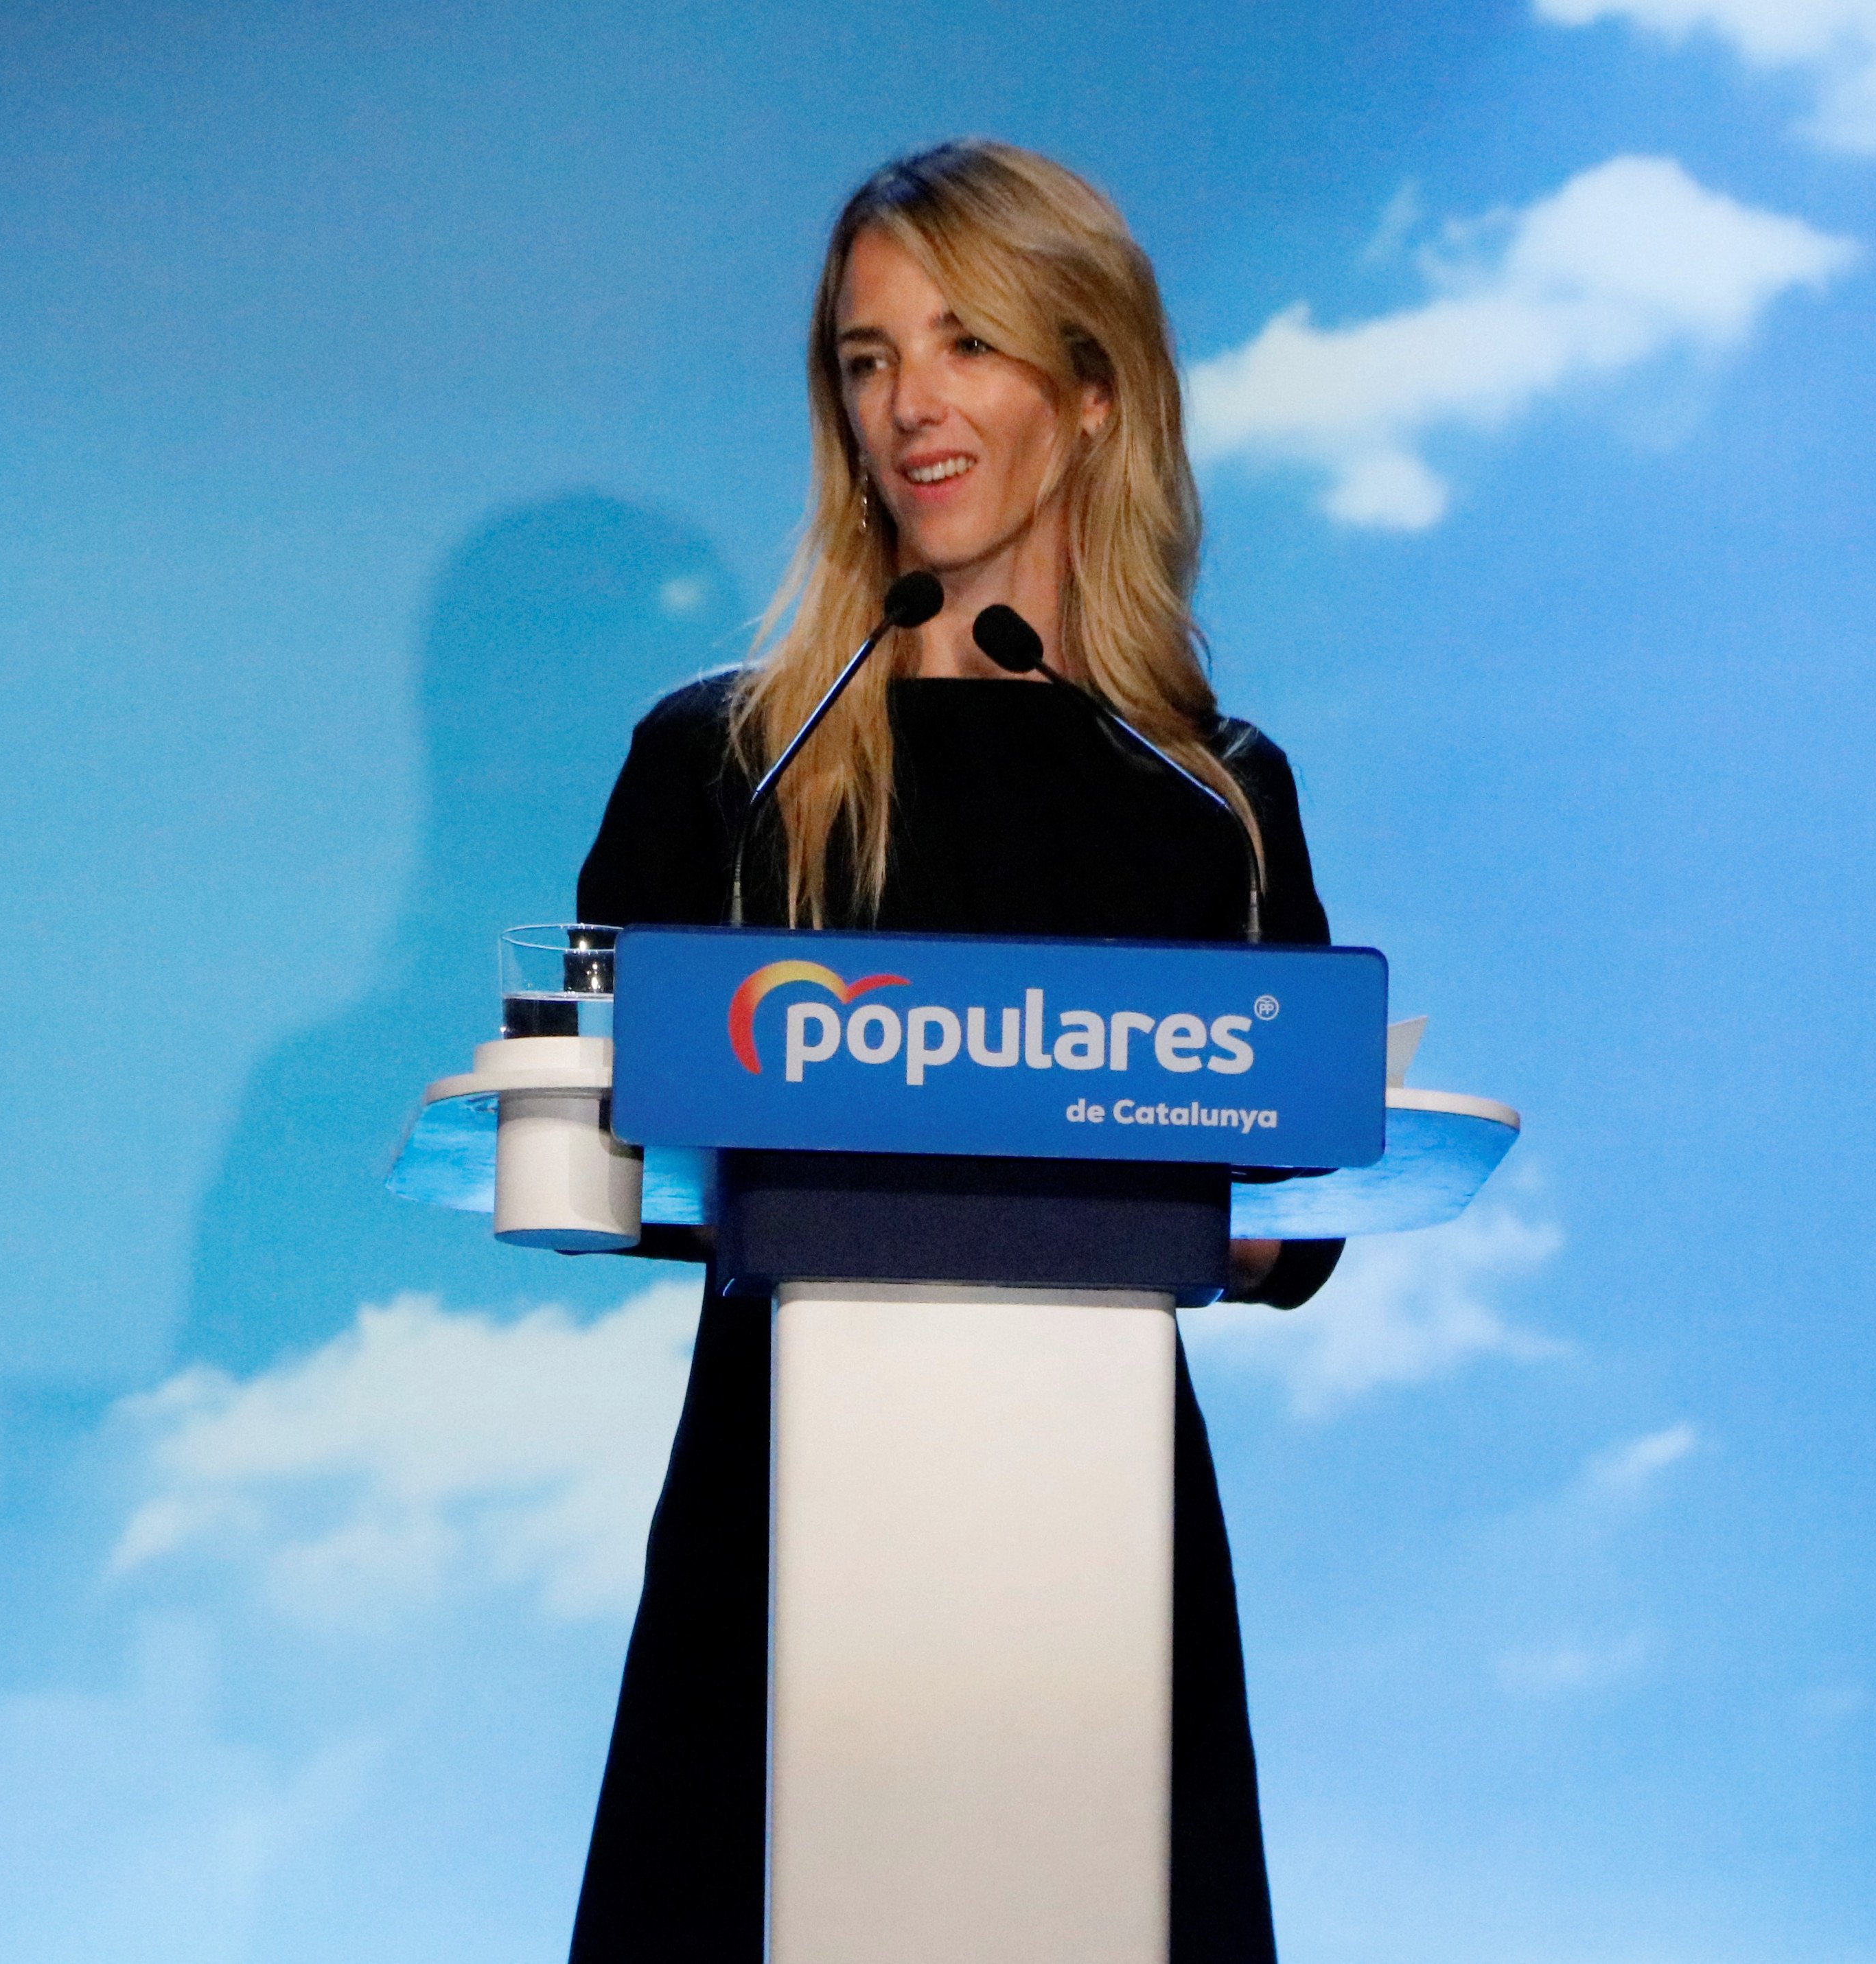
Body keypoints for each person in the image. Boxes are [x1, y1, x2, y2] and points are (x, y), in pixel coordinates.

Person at [566, 140, 1340, 1963]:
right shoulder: (726, 770)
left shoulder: (1205, 798)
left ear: (1093, 389)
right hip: (784, 1514)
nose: (908, 403)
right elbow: (596, 1122)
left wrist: (1237, 1219)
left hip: (1094, 1545)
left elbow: (1292, 1203)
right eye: (867, 357)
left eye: (966, 343)